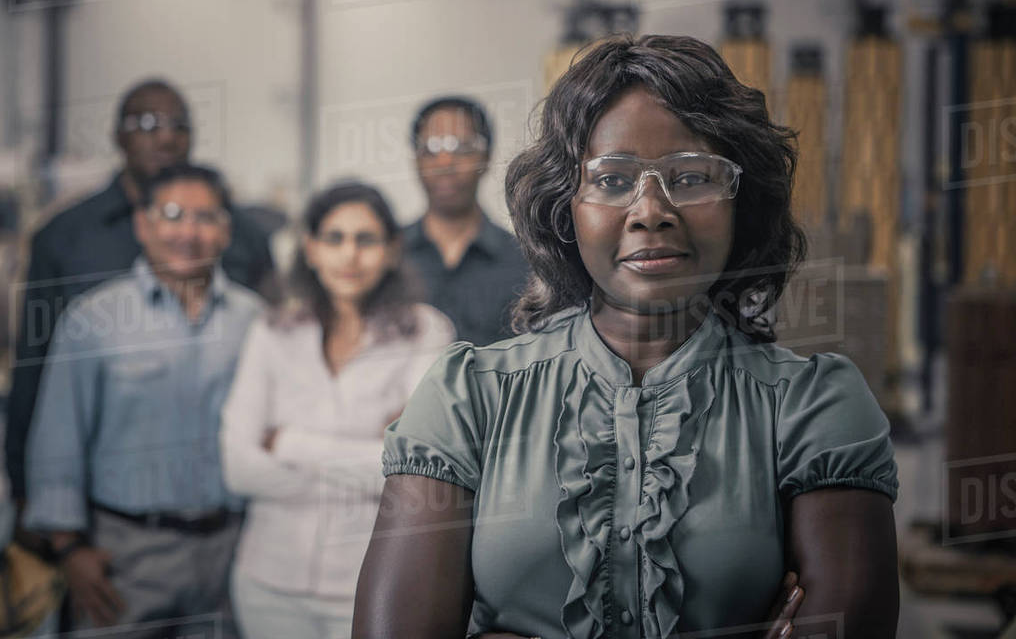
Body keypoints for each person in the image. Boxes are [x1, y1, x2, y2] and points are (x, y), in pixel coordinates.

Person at [354, 35, 899, 639]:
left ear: (744, 202)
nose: (650, 211)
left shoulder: (815, 406)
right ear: (567, 208)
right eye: (613, 181)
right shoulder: (468, 397)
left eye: (692, 176)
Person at [5, 78, 276, 509]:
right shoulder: (64, 237)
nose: (165, 136)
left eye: (177, 124)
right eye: (147, 123)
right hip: (115, 498)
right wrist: (27, 492)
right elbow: (35, 369)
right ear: (118, 136)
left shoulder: (245, 236)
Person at [23, 164, 261, 637]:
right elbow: (58, 439)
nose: (188, 232)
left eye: (205, 217)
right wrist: (69, 550)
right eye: (172, 215)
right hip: (124, 555)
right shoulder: (95, 319)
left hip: (232, 553)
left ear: (225, 230)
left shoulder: (256, 321)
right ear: (143, 225)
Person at [221, 181, 454, 639]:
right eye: (334, 238)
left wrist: (287, 441)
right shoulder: (271, 331)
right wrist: (369, 454)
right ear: (310, 249)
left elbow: (412, 470)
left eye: (365, 240)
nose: (349, 255)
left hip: (371, 583)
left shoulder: (426, 333)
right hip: (267, 582)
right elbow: (238, 468)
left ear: (391, 251)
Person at [403, 96, 529, 346]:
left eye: (462, 147)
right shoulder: (386, 256)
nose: (445, 162)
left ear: (487, 157)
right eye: (431, 148)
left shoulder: (525, 263)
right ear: (416, 159)